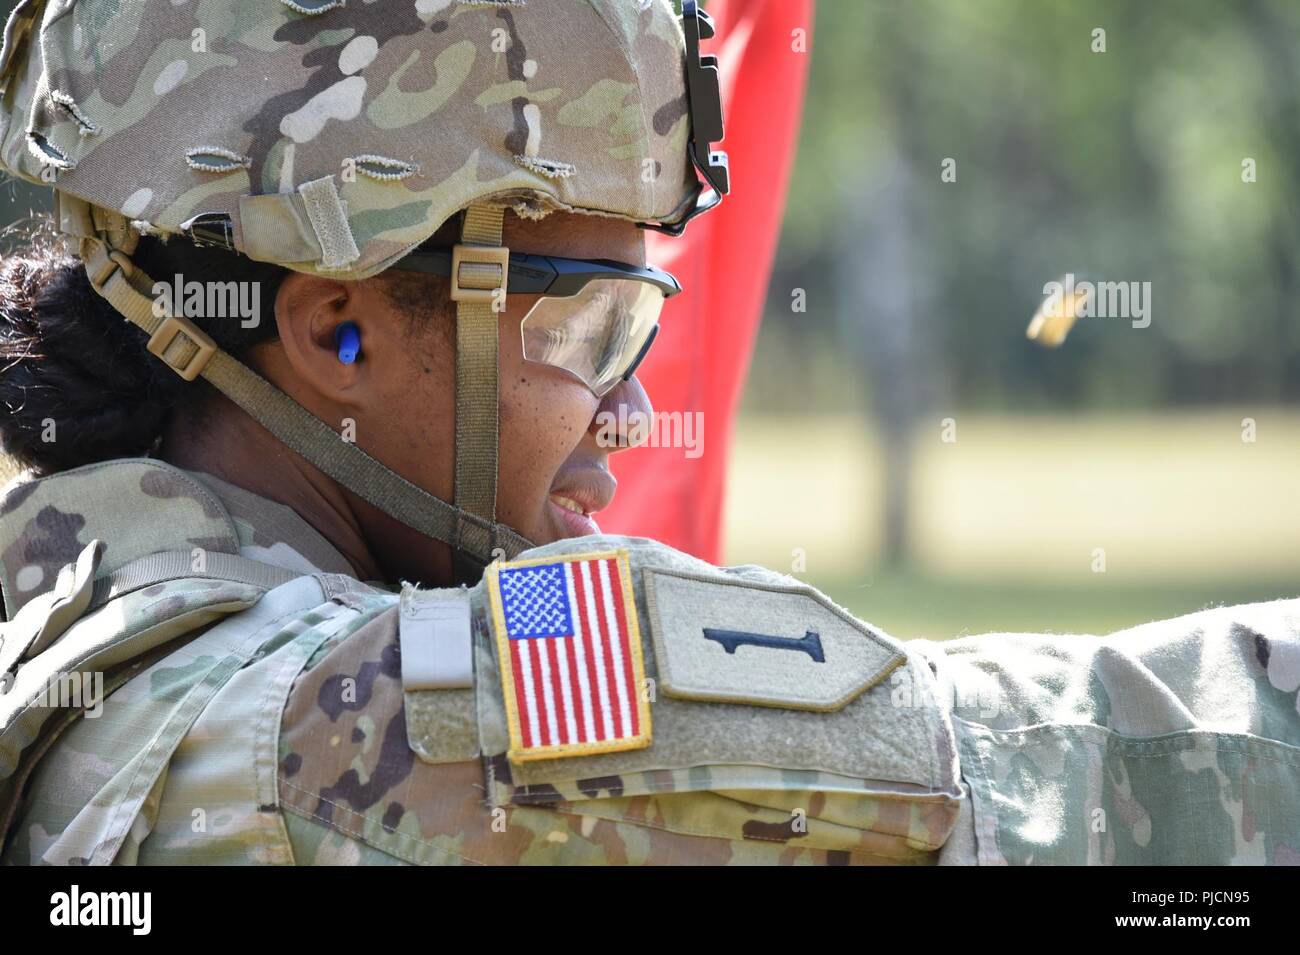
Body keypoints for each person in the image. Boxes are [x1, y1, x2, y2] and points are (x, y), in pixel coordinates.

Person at [0, 0, 1296, 866]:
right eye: (584, 324)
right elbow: (1044, 767)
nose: (625, 405)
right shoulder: (328, 717)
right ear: (338, 330)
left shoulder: (92, 613)